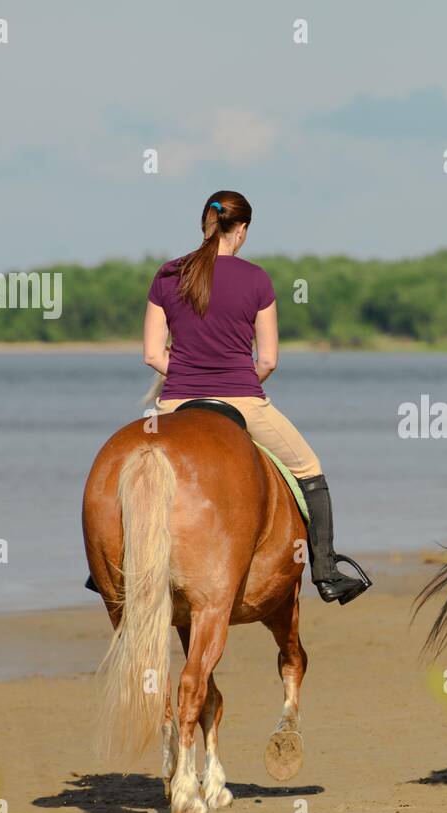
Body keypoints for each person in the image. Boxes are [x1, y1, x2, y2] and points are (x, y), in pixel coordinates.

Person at [142, 190, 369, 604]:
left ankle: (103, 568)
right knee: (309, 470)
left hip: (174, 404)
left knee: (137, 472)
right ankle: (326, 572)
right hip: (242, 401)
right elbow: (268, 360)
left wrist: (192, 375)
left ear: (205, 224)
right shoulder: (256, 279)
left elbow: (153, 354)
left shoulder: (168, 274)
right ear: (242, 230)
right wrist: (237, 377)